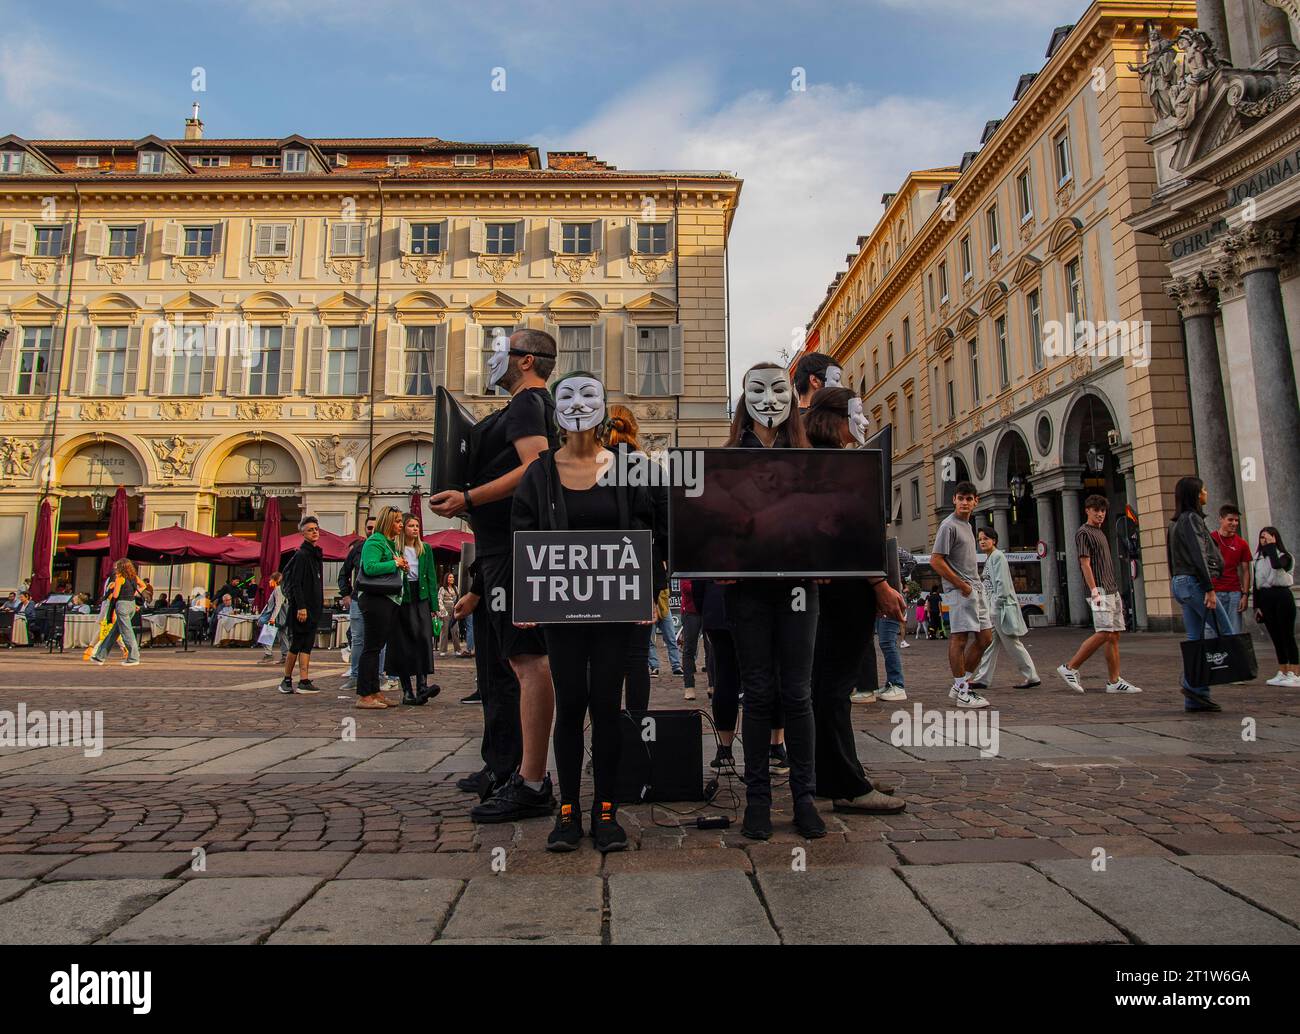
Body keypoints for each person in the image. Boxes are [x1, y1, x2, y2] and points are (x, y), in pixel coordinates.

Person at [512, 371, 659, 851]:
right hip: (560, 610)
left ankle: (607, 809)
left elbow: (649, 528)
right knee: (571, 703)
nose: (577, 405)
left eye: (588, 395)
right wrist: (524, 595)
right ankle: (569, 809)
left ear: (602, 405)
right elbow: (525, 534)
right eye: (568, 396)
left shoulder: (626, 465)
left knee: (607, 705)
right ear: (556, 408)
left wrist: (648, 592)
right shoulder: (539, 472)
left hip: (615, 610)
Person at [430, 328, 560, 818]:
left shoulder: (528, 404)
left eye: (501, 350)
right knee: (509, 662)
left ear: (525, 361)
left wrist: (468, 498)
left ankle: (530, 781)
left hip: (512, 550)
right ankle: (509, 769)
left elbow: (536, 467)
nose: (493, 358)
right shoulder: (520, 407)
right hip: (500, 554)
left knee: (527, 661)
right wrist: (481, 587)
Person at [724, 362, 824, 840]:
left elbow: (827, 521)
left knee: (798, 692)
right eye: (757, 390)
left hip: (798, 588)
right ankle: (758, 799)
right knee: (759, 691)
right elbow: (714, 524)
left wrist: (829, 559)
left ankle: (804, 797)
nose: (769, 400)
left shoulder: (811, 459)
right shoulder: (727, 460)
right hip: (748, 590)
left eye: (778, 389)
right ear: (745, 397)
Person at [801, 385, 907, 814]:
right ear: (835, 419)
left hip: (840, 587)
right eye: (855, 414)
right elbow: (850, 534)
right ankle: (845, 782)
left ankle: (837, 773)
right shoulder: (836, 466)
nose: (861, 423)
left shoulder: (823, 463)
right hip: (844, 590)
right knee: (833, 687)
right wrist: (878, 583)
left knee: (827, 686)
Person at [603, 405, 670, 711]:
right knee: (637, 657)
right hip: (642, 569)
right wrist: (661, 579)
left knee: (602, 659)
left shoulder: (593, 466)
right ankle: (635, 734)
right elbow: (666, 530)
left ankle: (606, 737)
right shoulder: (652, 469)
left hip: (598, 568)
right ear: (634, 430)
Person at [1056, 494, 1142, 694]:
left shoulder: (1100, 533)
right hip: (1100, 590)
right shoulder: (1083, 533)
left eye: (1103, 511)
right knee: (1104, 632)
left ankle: (1114, 681)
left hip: (1111, 589)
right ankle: (1070, 667)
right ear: (1087, 510)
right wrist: (1094, 590)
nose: (1100, 514)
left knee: (1113, 635)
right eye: (1096, 510)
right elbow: (1084, 563)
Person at [930, 481, 992, 708]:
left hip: (974, 589)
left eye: (969, 499)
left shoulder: (968, 525)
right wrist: (961, 585)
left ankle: (960, 685)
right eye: (961, 498)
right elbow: (936, 560)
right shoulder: (949, 526)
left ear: (976, 502)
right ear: (954, 500)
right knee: (960, 638)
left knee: (986, 638)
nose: (965, 502)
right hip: (961, 591)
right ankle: (963, 690)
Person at [1167, 477, 1223, 712]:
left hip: (1181, 582)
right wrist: (1208, 588)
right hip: (1195, 583)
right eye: (1203, 489)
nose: (1206, 492)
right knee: (1224, 632)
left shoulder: (1176, 522)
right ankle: (1191, 684)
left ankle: (1195, 696)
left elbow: (1170, 557)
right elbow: (1199, 554)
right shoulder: (1192, 520)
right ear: (1195, 495)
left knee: (1195, 639)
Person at [971, 527, 1040, 690]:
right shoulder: (991, 558)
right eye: (980, 539)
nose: (982, 541)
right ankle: (983, 678)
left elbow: (1002, 584)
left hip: (1000, 610)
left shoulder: (997, 557)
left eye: (985, 538)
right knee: (989, 644)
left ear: (994, 540)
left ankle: (1032, 676)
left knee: (1012, 644)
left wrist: (994, 607)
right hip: (994, 610)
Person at [355, 506, 408, 709]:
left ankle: (375, 691)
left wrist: (400, 564)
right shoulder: (375, 541)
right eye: (397, 521)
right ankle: (364, 695)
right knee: (371, 647)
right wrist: (394, 564)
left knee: (377, 648)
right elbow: (369, 567)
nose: (400, 525)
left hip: (387, 599)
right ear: (387, 522)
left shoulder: (389, 544)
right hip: (375, 599)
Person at [389, 513, 440, 706]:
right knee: (403, 642)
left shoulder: (425, 548)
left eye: (417, 525)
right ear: (403, 528)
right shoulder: (395, 548)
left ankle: (422, 686)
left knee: (423, 639)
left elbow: (432, 577)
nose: (415, 528)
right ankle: (407, 691)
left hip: (421, 595)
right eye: (411, 525)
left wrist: (434, 606)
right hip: (403, 596)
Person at [339, 516, 391, 693]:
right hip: (358, 599)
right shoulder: (358, 549)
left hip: (379, 598)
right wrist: (346, 594)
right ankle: (355, 675)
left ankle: (379, 676)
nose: (371, 530)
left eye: (375, 527)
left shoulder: (387, 547)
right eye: (369, 528)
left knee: (379, 640)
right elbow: (343, 573)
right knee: (358, 638)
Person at [279, 515, 325, 696]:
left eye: (316, 529)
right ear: (303, 533)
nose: (314, 532)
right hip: (302, 608)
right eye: (310, 530)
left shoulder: (315, 554)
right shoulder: (302, 555)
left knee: (307, 644)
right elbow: (296, 583)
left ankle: (304, 680)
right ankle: (286, 679)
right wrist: (301, 607)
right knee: (297, 643)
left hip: (313, 606)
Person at [1253, 527, 1298, 686]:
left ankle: (1295, 672)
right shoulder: (1258, 559)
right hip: (1266, 598)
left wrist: (1272, 548)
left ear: (1275, 538)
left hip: (1282, 596)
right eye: (1262, 538)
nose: (1264, 541)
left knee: (1287, 636)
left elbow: (1277, 565)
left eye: (1268, 538)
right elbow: (1256, 582)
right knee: (1276, 637)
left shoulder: (1285, 556)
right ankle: (1283, 670)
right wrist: (1256, 606)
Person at [87, 559, 144, 667]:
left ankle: (133, 658)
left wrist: (111, 588)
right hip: (131, 605)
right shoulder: (134, 578)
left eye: (117, 566)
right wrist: (133, 594)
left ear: (121, 567)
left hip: (122, 606)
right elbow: (143, 586)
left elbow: (115, 595)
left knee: (127, 633)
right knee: (113, 633)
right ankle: (100, 656)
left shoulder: (120, 578)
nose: (115, 568)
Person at [1209, 504, 1251, 635]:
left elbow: (1245, 571)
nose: (1234, 523)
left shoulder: (1242, 543)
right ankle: (1216, 655)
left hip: (1234, 593)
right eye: (1230, 520)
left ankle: (1234, 656)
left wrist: (1245, 595)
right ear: (1221, 519)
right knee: (1212, 631)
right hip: (1214, 592)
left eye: (1236, 520)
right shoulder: (1210, 539)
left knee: (1234, 631)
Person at [679, 577, 709, 701]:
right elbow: (685, 587)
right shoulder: (688, 565)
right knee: (689, 649)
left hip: (708, 609)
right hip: (691, 611)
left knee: (711, 649)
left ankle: (712, 684)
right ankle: (689, 686)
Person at [648, 587, 682, 677]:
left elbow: (666, 591)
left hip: (665, 609)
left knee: (671, 639)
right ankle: (654, 666)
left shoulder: (661, 577)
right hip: (649, 610)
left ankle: (676, 666)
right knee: (650, 641)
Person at [255, 571, 288, 664]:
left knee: (267, 635)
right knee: (282, 635)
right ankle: (285, 656)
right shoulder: (282, 589)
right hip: (282, 617)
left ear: (276, 580)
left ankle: (268, 655)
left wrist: (272, 618)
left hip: (275, 617)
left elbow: (277, 605)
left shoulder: (277, 590)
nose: (269, 581)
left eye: (271, 580)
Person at [437, 572, 462, 656]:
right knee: (444, 631)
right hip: (445, 611)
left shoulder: (455, 588)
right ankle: (443, 650)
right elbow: (439, 600)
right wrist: (443, 611)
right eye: (450, 577)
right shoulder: (442, 589)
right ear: (446, 579)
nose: (452, 579)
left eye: (452, 577)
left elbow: (458, 599)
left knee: (455, 630)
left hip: (454, 611)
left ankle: (457, 650)